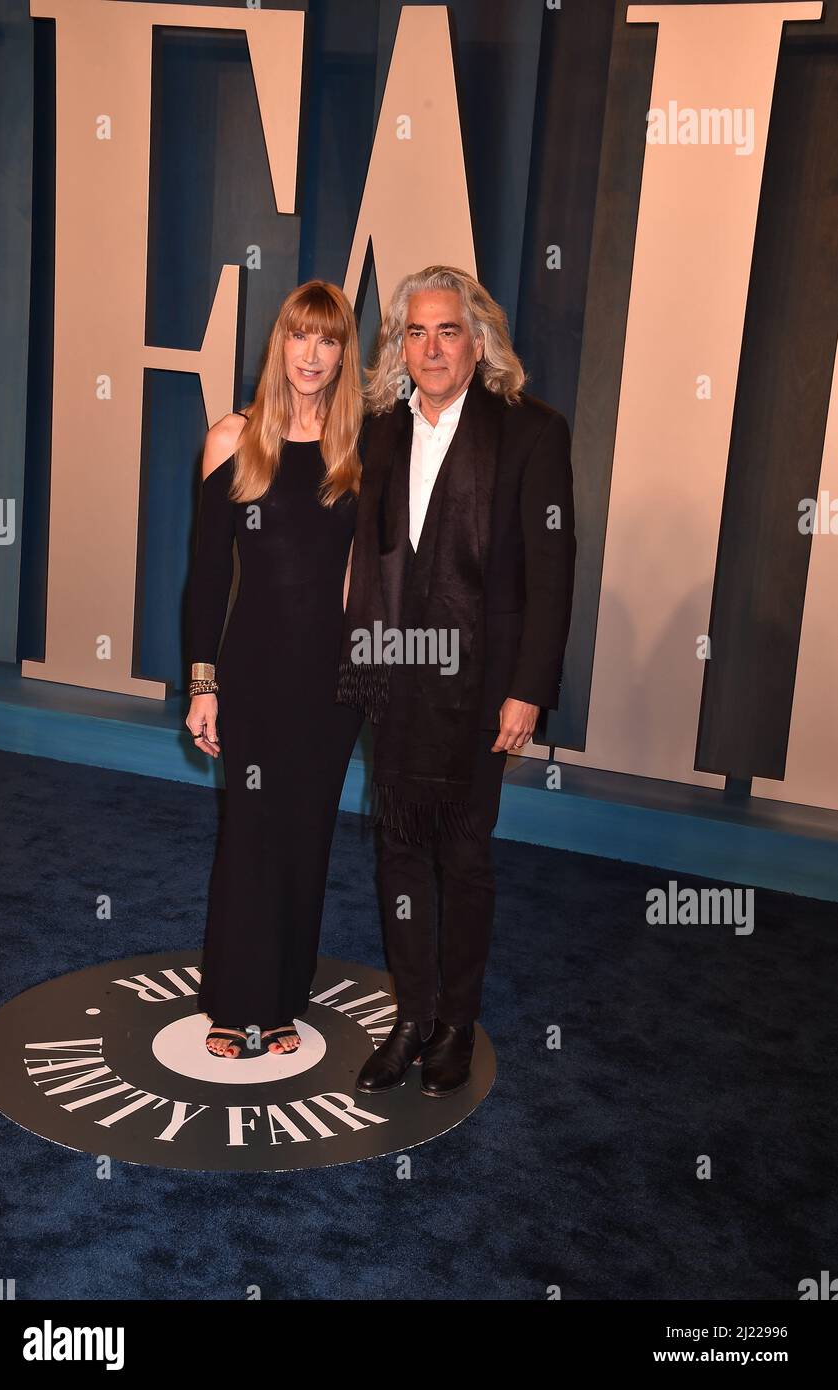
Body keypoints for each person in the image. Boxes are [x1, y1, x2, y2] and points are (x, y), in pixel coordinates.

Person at [337, 265, 576, 1097]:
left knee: (464, 856)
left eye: (447, 331)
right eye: (415, 332)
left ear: (478, 342)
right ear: (398, 345)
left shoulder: (532, 432)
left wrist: (527, 689)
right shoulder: (377, 431)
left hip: (480, 687)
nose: (431, 347)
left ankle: (456, 1022)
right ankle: (410, 1012)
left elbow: (551, 574)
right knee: (398, 848)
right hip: (393, 677)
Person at [186, 281, 364, 1058]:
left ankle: (286, 996)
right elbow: (201, 574)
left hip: (330, 684)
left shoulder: (360, 450)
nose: (312, 355)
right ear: (279, 344)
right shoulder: (233, 438)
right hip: (251, 671)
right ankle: (237, 1001)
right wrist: (201, 684)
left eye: (327, 341)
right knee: (251, 833)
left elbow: (364, 576)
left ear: (341, 353)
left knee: (307, 832)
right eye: (300, 336)